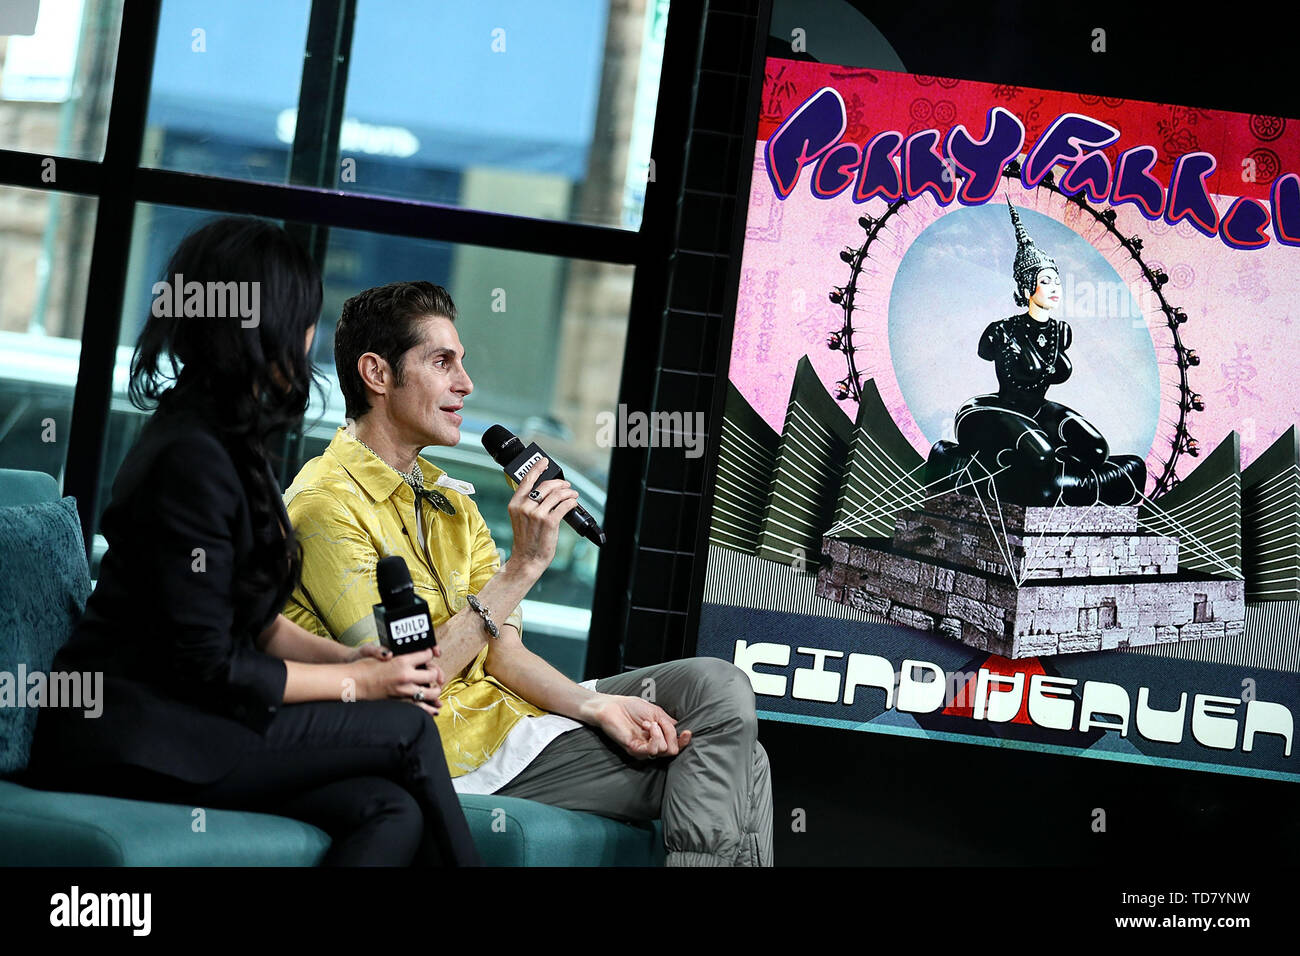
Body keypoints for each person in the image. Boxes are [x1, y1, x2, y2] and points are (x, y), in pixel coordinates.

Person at [27, 218, 479, 866]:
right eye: (300, 317)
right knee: (407, 728)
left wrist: (353, 664)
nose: (308, 338)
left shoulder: (226, 438)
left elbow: (255, 624)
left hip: (194, 715)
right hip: (134, 731)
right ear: (256, 324)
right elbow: (212, 666)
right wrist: (363, 686)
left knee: (388, 807)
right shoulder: (190, 456)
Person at [283, 281, 773, 866]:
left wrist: (595, 707)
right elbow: (409, 684)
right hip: (452, 750)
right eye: (443, 363)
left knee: (716, 688)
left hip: (517, 722)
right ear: (377, 374)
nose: (466, 384)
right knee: (740, 761)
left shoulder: (451, 502)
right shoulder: (323, 504)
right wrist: (523, 566)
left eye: (461, 362)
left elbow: (502, 654)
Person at [925, 200, 1146, 506]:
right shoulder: (1000, 330)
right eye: (1045, 281)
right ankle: (951, 461)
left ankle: (1039, 480)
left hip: (1039, 411)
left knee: (1096, 451)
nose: (1055, 287)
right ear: (1028, 287)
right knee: (1041, 454)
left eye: (1056, 280)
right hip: (992, 411)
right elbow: (985, 352)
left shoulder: (1061, 331)